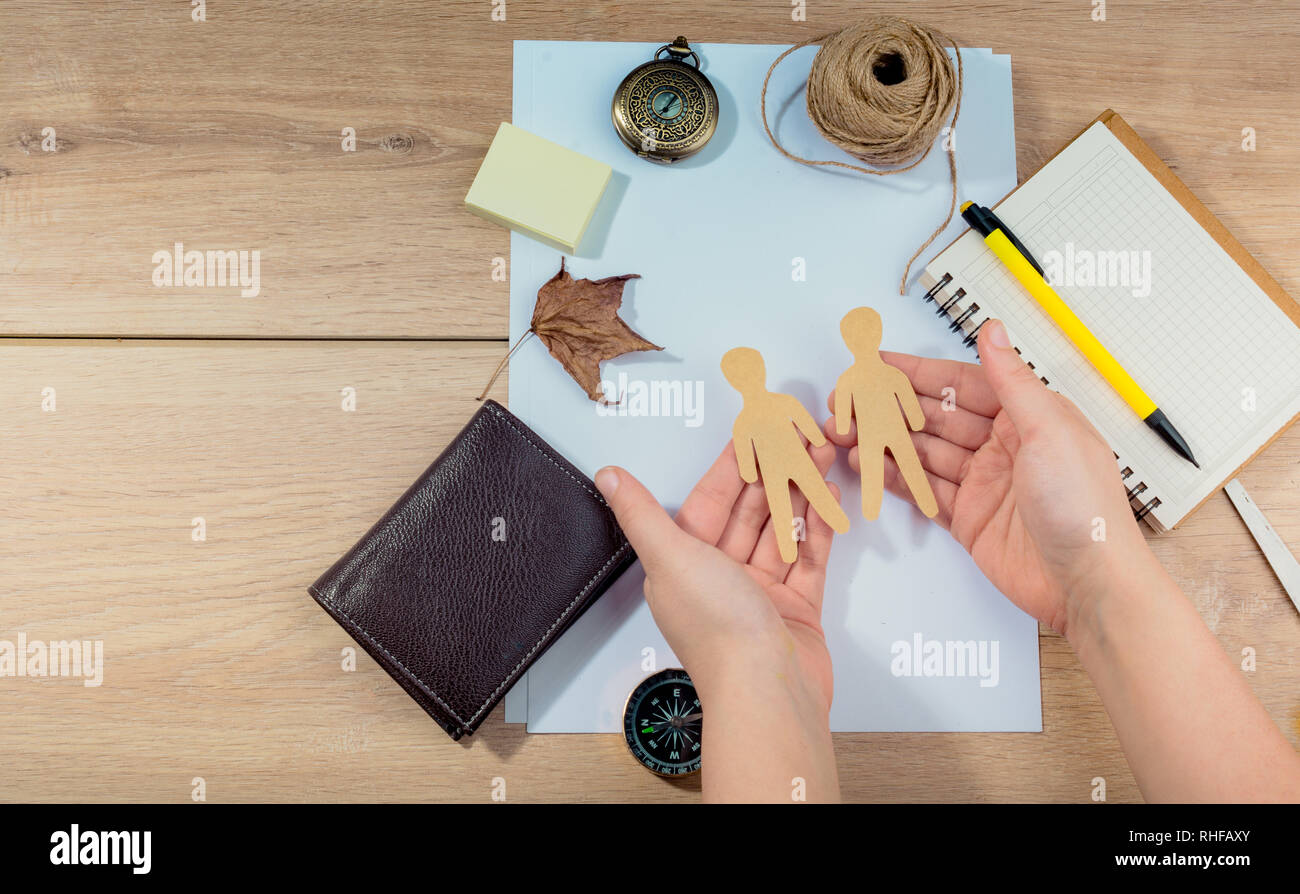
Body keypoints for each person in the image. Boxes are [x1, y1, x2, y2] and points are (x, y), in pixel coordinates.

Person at [593, 319, 1300, 803]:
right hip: (794, 472)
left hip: (813, 470)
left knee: (858, 475)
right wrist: (1099, 583)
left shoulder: (772, 410)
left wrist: (755, 673)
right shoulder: (760, 414)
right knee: (837, 487)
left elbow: (865, 416)